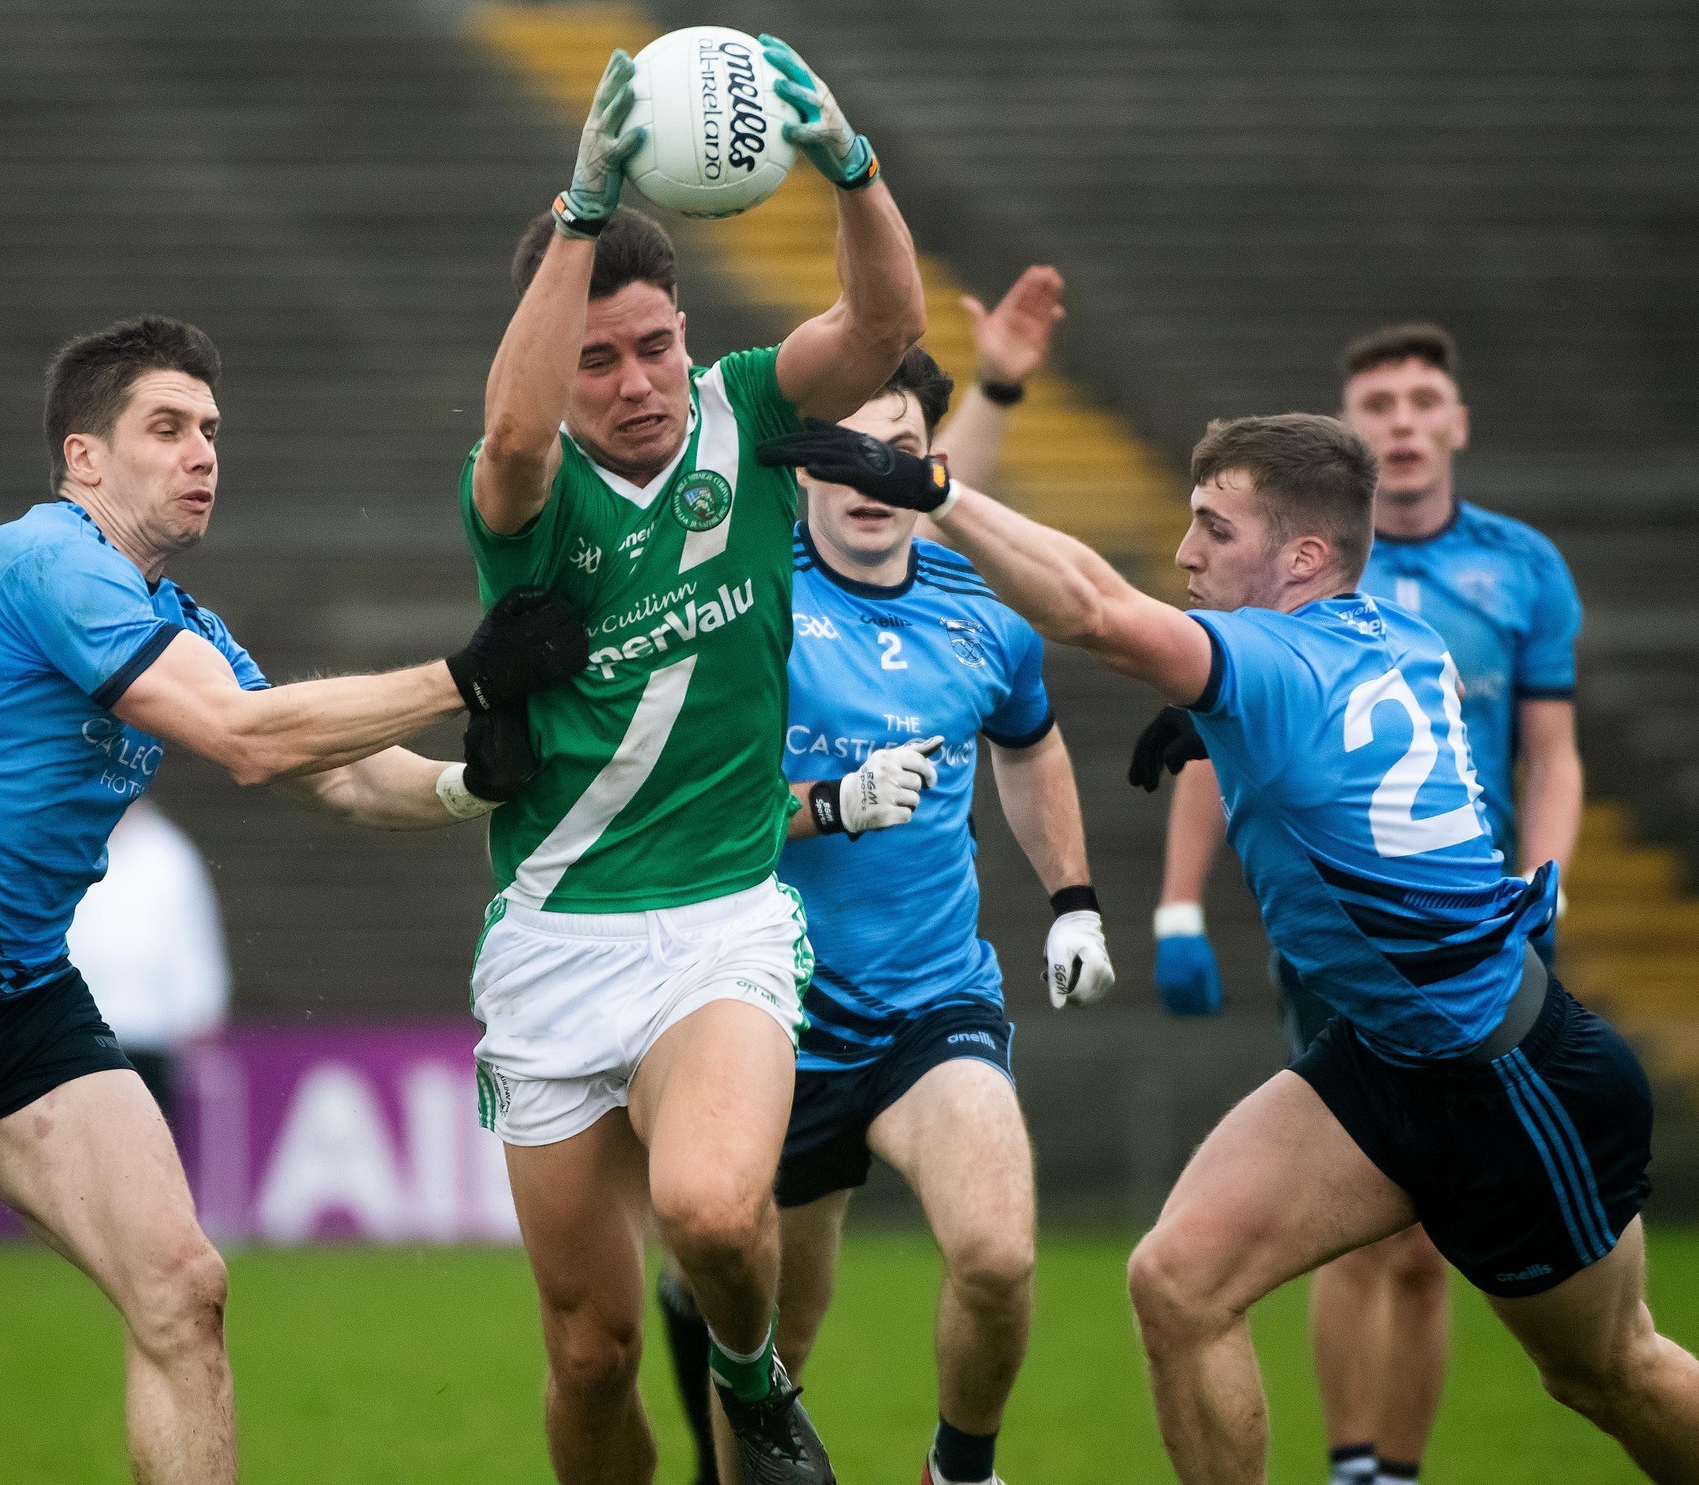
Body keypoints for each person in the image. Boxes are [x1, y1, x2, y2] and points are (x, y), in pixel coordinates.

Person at [753, 409, 1695, 1483]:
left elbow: (1097, 612)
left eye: (1212, 528)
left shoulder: (1271, 665)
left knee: (1606, 1375)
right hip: (1388, 1053)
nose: (1185, 552)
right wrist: (1211, 721)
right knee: (1177, 1282)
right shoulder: (1396, 635)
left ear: (1301, 556)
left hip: (1506, 1076)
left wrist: (935, 493)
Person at [0, 315, 587, 1476]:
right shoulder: (42, 560)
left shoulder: (177, 622)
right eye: (169, 427)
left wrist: (465, 786)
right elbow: (243, 739)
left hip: (17, 1003)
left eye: (212, 431)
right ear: (84, 457)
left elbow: (332, 769)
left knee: (183, 1291)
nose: (204, 453)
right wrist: (462, 676)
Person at [460, 36, 926, 1484]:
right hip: (552, 940)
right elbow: (513, 427)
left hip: (722, 917)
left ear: (687, 332)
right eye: (599, 357)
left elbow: (885, 323)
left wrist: (849, 161)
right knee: (591, 1360)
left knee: (722, 1219)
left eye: (654, 344)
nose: (640, 380)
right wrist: (581, 206)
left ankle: (753, 1383)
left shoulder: (750, 408)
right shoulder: (527, 495)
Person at [657, 344, 1112, 1485]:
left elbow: (1029, 741)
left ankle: (958, 1471)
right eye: (844, 452)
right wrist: (835, 805)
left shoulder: (982, 612)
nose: (870, 476)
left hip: (931, 1004)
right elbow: (685, 819)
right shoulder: (743, 607)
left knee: (999, 1255)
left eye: (896, 454)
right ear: (801, 469)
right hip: (768, 1015)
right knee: (773, 1344)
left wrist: (1072, 903)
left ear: (931, 467)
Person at [1143, 323, 1585, 1485]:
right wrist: (1177, 906)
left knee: (1431, 1258)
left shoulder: (1519, 568)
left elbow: (1551, 753)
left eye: (1417, 397)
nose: (1397, 418)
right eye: (1373, 400)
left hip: (1463, 933)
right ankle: (1353, 1466)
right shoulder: (1312, 562)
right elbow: (1219, 744)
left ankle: (1396, 1467)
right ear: (1349, 433)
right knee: (1352, 1227)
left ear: (1453, 422)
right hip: (1337, 927)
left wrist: (1548, 880)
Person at [66, 797, 231, 1128]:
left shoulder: (168, 853)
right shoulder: (67, 842)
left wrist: (199, 1009)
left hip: (148, 1034)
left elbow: (192, 935)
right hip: (72, 1032)